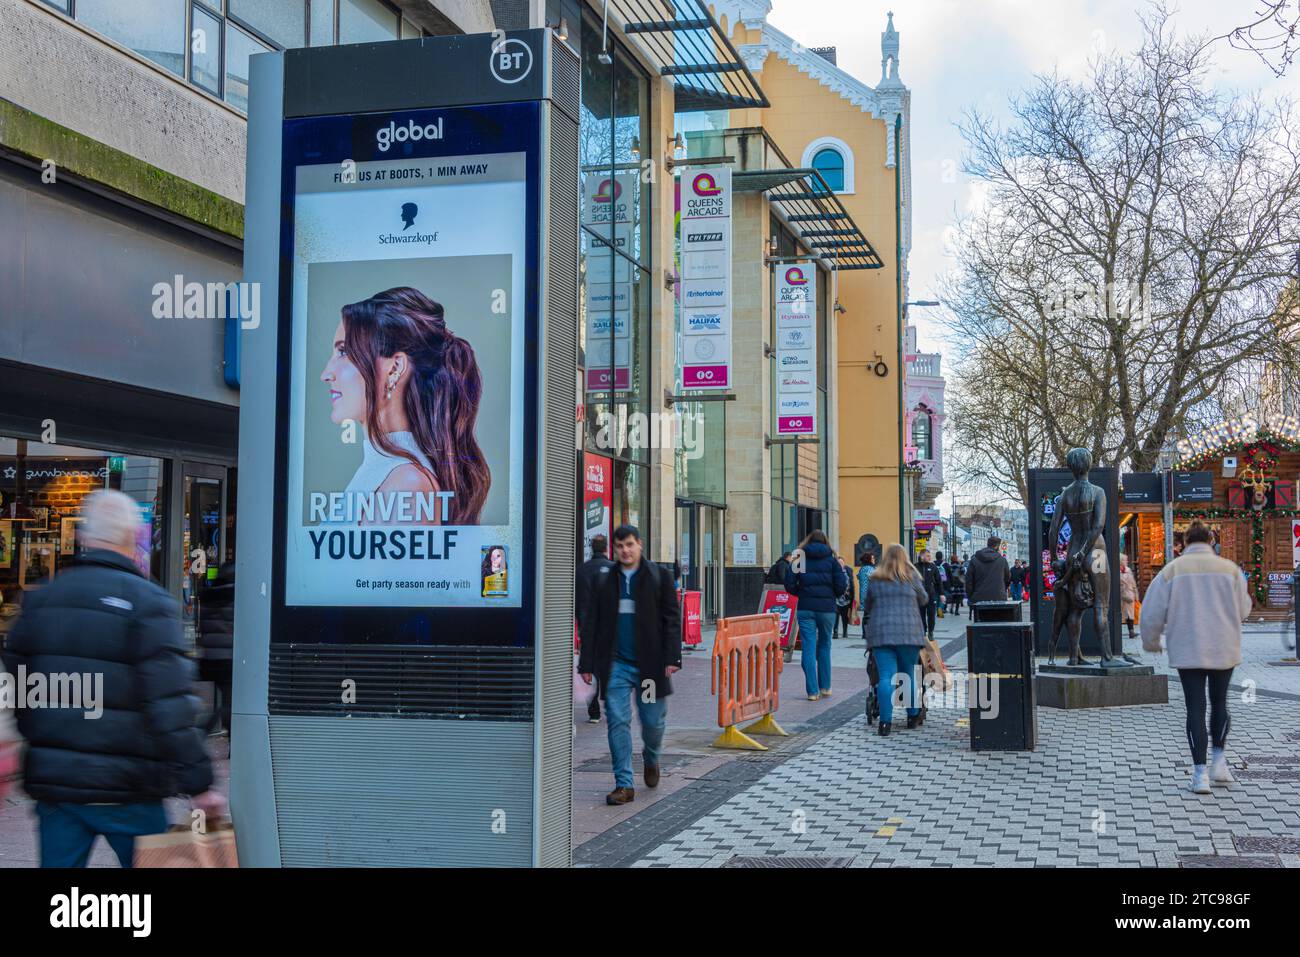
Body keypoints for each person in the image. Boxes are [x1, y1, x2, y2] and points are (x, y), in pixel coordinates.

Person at [1, 490, 225, 867]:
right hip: (130, 788)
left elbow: (16, 687)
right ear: (131, 539)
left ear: (85, 538)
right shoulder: (150, 604)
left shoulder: (41, 600)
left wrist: (43, 739)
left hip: (59, 788)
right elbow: (169, 705)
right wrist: (199, 784)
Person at [320, 286, 489, 525]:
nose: (326, 374)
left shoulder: (407, 485)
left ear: (395, 368)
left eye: (344, 352)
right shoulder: (386, 471)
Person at [1140, 521, 1251, 794]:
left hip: (1188, 648)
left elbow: (1151, 611)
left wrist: (1152, 642)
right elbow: (1245, 610)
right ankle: (1219, 762)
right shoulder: (1230, 570)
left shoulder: (1172, 571)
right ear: (1212, 541)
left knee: (1195, 708)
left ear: (1185, 543)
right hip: (1224, 647)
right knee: (1220, 703)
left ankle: (1199, 775)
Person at [578, 525, 681, 806]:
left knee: (652, 722)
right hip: (616, 666)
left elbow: (672, 620)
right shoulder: (605, 581)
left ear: (640, 545)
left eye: (630, 545)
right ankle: (624, 784)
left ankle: (651, 757)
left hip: (649, 667)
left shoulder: (659, 577)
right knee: (618, 721)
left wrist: (672, 658)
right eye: (620, 545)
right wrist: (586, 663)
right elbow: (592, 624)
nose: (625, 550)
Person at [863, 544, 930, 736]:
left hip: (882, 633)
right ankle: (912, 716)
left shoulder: (875, 578)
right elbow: (924, 598)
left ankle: (885, 723)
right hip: (909, 633)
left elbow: (867, 605)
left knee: (886, 677)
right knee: (907, 674)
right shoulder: (912, 576)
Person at [785, 531, 849, 701]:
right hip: (827, 609)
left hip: (806, 607)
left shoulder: (800, 557)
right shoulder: (832, 559)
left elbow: (789, 583)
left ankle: (812, 692)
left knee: (808, 646)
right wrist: (832, 595)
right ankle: (825, 687)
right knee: (825, 645)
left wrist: (801, 592)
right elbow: (841, 585)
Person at [576, 534, 615, 724]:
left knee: (589, 663)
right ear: (606, 548)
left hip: (586, 624)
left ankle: (593, 711)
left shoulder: (581, 570)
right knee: (607, 665)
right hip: (608, 626)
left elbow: (575, 600)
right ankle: (609, 704)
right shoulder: (614, 570)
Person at [197, 561, 235, 738]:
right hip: (229, 658)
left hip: (210, 658)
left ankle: (202, 730)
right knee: (230, 702)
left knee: (224, 701)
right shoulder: (236, 595)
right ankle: (230, 739)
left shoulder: (209, 594)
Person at [966, 536, 1012, 609]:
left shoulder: (974, 560)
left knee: (981, 619)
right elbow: (1008, 578)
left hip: (979, 598)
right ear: (997, 546)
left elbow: (969, 581)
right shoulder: (1002, 560)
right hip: (999, 598)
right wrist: (1002, 589)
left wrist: (971, 596)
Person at [916, 550, 943, 641]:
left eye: (929, 555)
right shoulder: (915, 567)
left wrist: (941, 594)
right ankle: (923, 631)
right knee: (921, 615)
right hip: (919, 596)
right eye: (927, 556)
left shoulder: (933, 567)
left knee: (931, 615)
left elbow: (939, 581)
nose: (929, 557)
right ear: (921, 556)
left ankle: (931, 632)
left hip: (931, 595)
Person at [833, 556, 856, 639]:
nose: (840, 564)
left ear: (844, 563)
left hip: (846, 599)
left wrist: (853, 597)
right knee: (835, 616)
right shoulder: (833, 572)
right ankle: (835, 632)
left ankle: (845, 632)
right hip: (836, 598)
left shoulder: (848, 571)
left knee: (845, 616)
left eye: (842, 562)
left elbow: (852, 584)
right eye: (839, 563)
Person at [1119, 555, 1139, 641]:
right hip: (1120, 595)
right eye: (1125, 560)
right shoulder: (1117, 571)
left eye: (1126, 560)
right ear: (1120, 561)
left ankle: (1131, 631)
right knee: (1121, 614)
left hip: (1129, 594)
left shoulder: (1128, 570)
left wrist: (1136, 595)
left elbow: (1133, 583)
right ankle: (1119, 632)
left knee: (1130, 614)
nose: (1127, 561)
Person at [857, 552, 876, 638]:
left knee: (866, 615)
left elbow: (858, 576)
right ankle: (868, 634)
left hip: (863, 595)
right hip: (870, 595)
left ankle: (864, 633)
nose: (874, 559)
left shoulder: (862, 569)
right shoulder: (870, 569)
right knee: (871, 616)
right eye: (872, 558)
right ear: (869, 560)